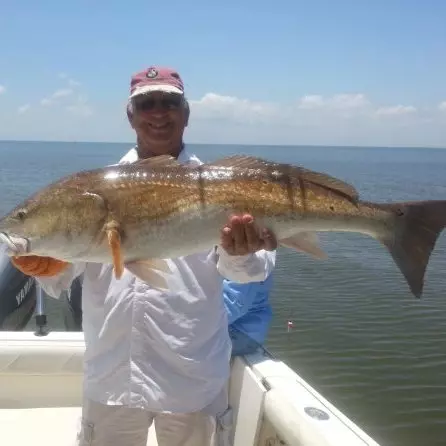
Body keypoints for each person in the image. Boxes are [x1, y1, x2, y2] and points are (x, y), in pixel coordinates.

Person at [10, 65, 277, 446]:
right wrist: (43, 267)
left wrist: (241, 251)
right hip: (112, 378)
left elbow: (251, 274)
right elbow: (61, 280)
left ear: (186, 113)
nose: (158, 112)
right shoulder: (91, 193)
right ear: (131, 115)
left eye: (169, 102)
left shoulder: (221, 183)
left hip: (193, 380)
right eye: (146, 103)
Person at [223, 273, 274, 356]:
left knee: (197, 346)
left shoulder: (247, 264)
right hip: (228, 326)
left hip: (242, 333)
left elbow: (231, 309)